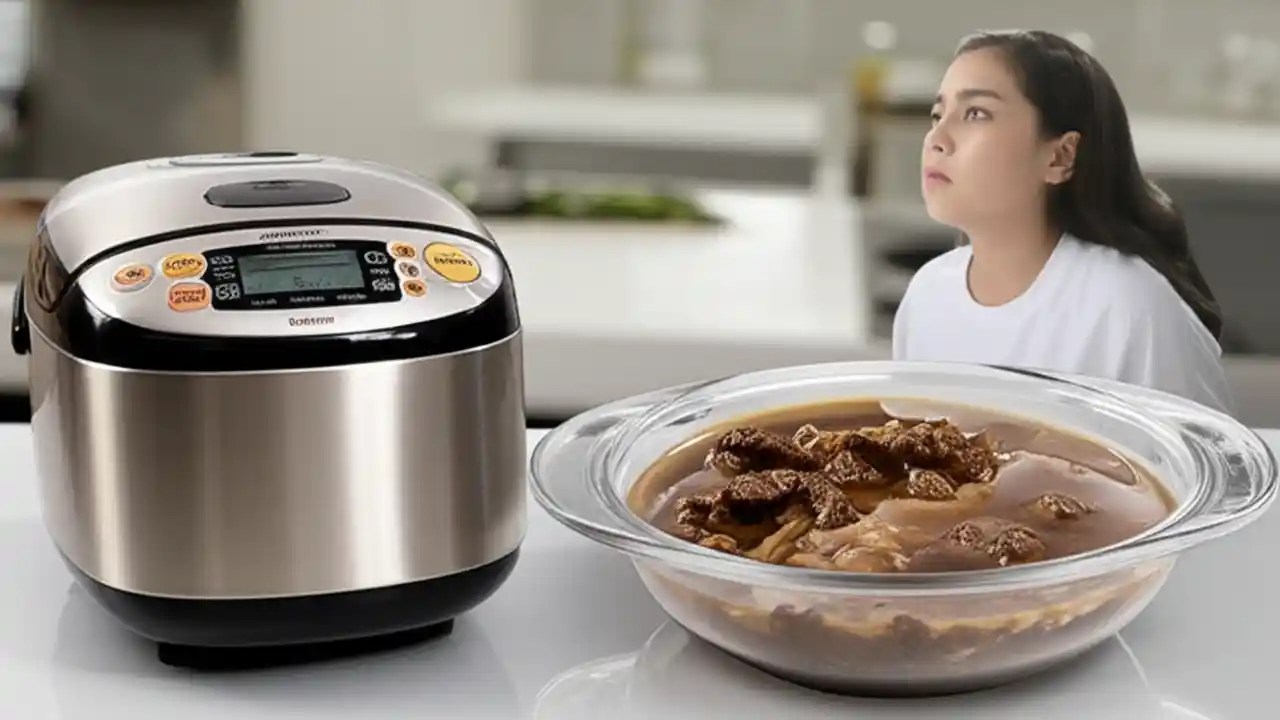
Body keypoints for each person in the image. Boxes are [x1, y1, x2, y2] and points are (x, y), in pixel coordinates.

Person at [892, 29, 1235, 415]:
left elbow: (1214, 467)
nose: (937, 138)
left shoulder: (1129, 306)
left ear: (1060, 157)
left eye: (976, 113)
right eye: (937, 114)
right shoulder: (927, 296)